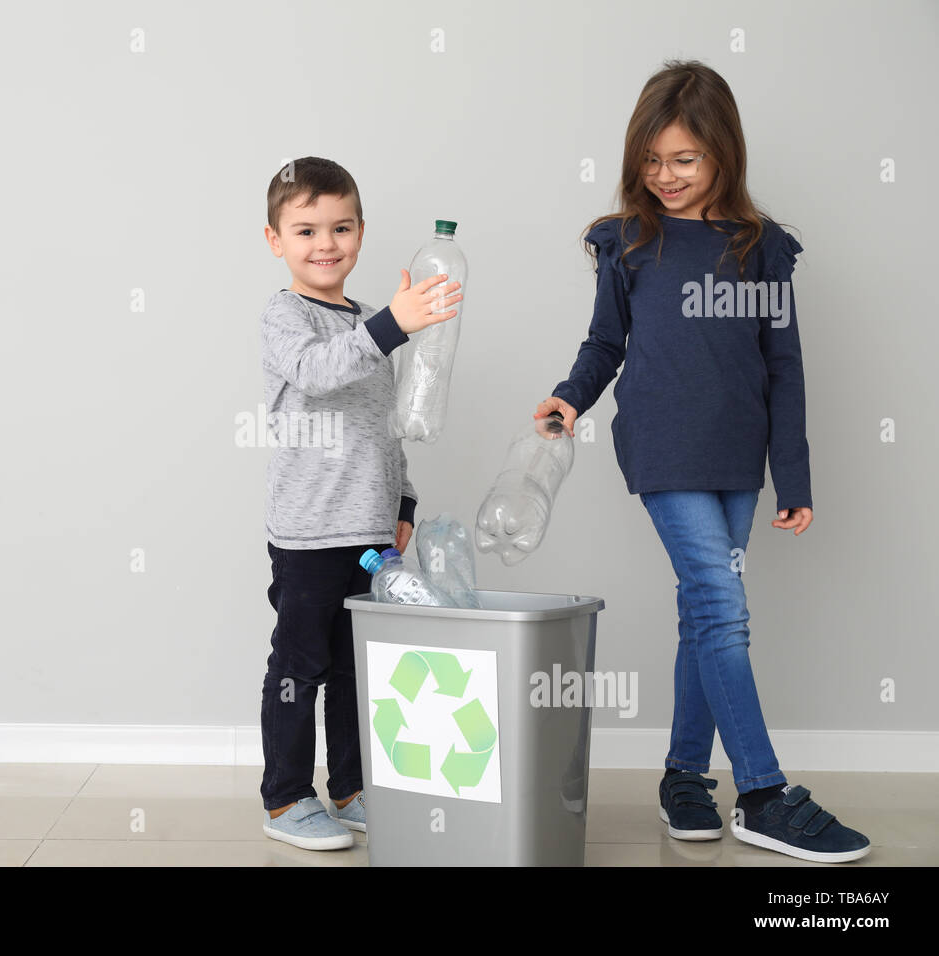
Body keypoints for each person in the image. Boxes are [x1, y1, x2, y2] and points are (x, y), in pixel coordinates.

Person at [536, 60, 870, 863]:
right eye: (651, 161)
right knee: (724, 608)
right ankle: (763, 793)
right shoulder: (630, 242)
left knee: (701, 611)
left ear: (724, 152)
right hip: (660, 445)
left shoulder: (762, 250)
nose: (665, 177)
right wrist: (569, 397)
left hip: (736, 459)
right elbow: (605, 342)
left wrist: (794, 475)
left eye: (684, 159)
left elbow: (783, 367)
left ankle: (685, 778)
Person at [258, 156, 461, 850]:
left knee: (355, 669)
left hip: (371, 528)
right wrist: (392, 327)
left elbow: (388, 421)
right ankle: (285, 798)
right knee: (300, 666)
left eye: (340, 228)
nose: (325, 244)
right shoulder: (286, 317)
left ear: (361, 233)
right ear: (275, 240)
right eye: (306, 229)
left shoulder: (375, 320)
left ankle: (349, 787)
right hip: (311, 532)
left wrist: (403, 499)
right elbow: (320, 374)